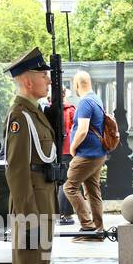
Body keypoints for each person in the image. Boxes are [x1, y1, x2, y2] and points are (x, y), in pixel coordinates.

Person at [3, 47, 58, 264]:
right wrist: (29, 216)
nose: (49, 80)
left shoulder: (34, 113)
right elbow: (16, 170)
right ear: (27, 81)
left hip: (42, 204)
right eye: (43, 75)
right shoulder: (20, 117)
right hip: (32, 210)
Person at [63, 69, 107, 237]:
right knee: (93, 191)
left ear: (76, 85)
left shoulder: (85, 102)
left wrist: (73, 147)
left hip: (87, 154)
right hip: (98, 153)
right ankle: (98, 227)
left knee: (70, 187)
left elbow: (82, 130)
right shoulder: (96, 99)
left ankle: (87, 225)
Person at [57, 87, 76, 225]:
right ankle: (66, 214)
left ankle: (58, 213)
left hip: (54, 151)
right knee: (68, 182)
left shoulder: (49, 110)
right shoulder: (71, 110)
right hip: (68, 150)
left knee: (58, 182)